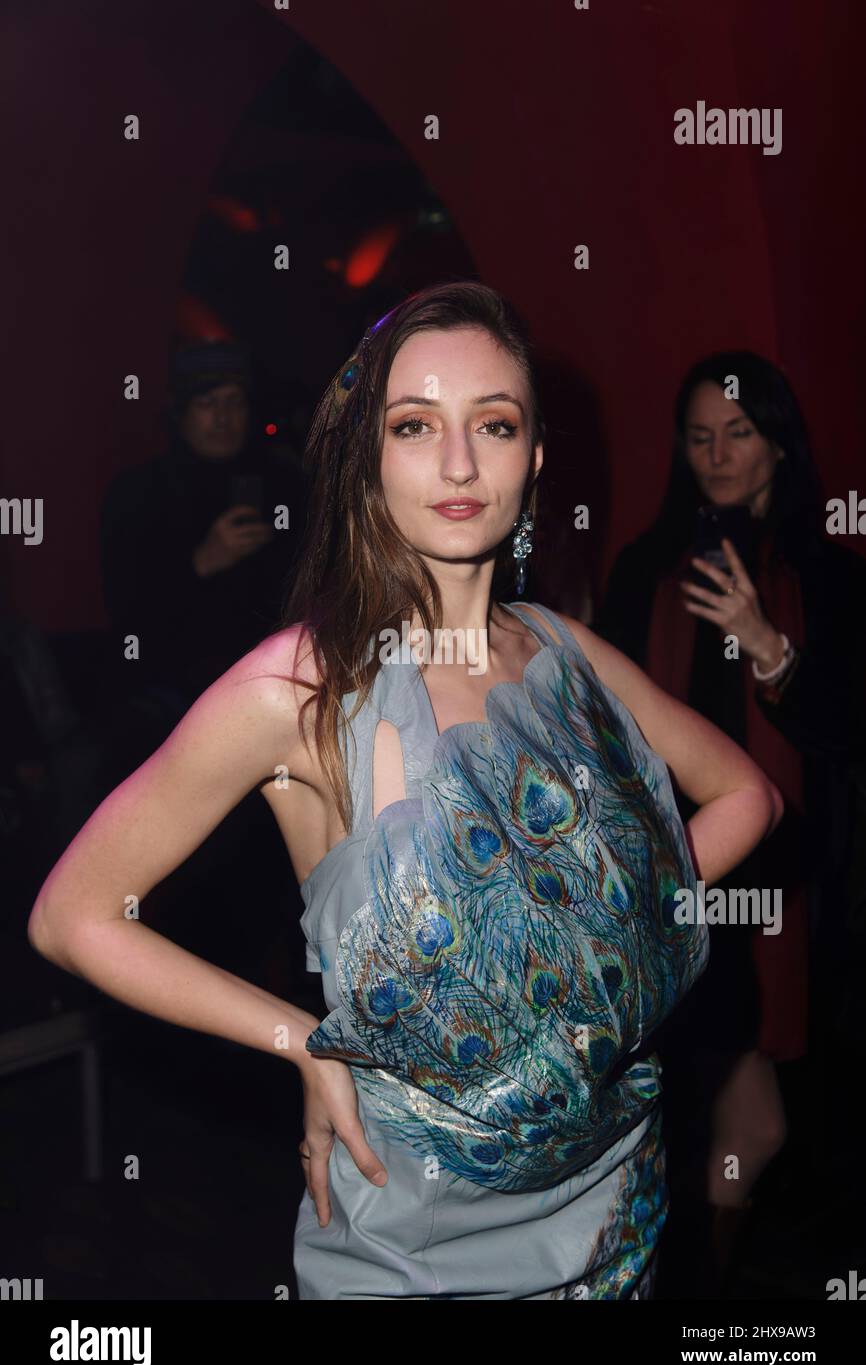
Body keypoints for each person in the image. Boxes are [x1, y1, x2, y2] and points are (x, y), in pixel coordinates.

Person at [27, 284, 783, 1301]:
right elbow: (74, 915)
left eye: (494, 425)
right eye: (416, 425)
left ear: (534, 458)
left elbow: (748, 794)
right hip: (415, 1254)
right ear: (369, 457)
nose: (460, 462)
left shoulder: (569, 656)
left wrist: (615, 911)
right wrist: (301, 1041)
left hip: (617, 1219)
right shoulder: (294, 689)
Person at [595, 350, 866, 1294]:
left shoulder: (828, 576)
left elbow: (845, 730)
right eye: (700, 436)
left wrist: (770, 649)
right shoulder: (644, 567)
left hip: (794, 887)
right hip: (677, 879)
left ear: (779, 445)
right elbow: (606, 735)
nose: (717, 454)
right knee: (687, 1106)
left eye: (739, 434)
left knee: (778, 1117)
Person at [99, 340, 308, 756]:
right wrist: (201, 562)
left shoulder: (284, 484)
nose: (223, 417)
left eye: (234, 402)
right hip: (170, 703)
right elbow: (127, 613)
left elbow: (307, 593)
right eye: (207, 403)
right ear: (181, 413)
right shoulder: (139, 492)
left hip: (274, 694)